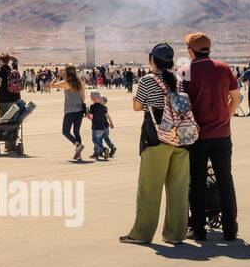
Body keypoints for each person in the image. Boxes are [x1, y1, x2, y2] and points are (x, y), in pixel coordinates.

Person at [120, 43, 190, 245]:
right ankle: (176, 234)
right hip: (181, 139)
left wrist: (136, 98)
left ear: (153, 60)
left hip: (157, 139)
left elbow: (137, 106)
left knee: (150, 189)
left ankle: (142, 233)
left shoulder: (147, 81)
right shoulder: (178, 80)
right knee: (178, 190)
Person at [182, 32, 241, 243]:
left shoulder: (185, 71)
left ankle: (198, 229)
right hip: (222, 136)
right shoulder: (224, 68)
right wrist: (226, 117)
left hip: (197, 137)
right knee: (225, 180)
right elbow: (236, 97)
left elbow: (182, 103)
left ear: (190, 50)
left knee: (196, 182)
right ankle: (230, 230)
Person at [61, 64, 88, 163]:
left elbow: (51, 86)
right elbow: (83, 97)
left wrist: (56, 76)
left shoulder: (67, 82)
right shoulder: (79, 81)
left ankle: (77, 145)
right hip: (80, 110)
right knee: (77, 132)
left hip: (70, 111)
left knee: (65, 131)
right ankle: (79, 155)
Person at [88, 93, 116, 160]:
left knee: (95, 140)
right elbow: (107, 115)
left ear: (93, 99)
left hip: (96, 127)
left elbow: (90, 116)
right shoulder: (103, 107)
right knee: (100, 139)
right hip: (103, 127)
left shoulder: (92, 106)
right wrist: (111, 123)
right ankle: (97, 153)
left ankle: (103, 149)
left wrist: (86, 114)